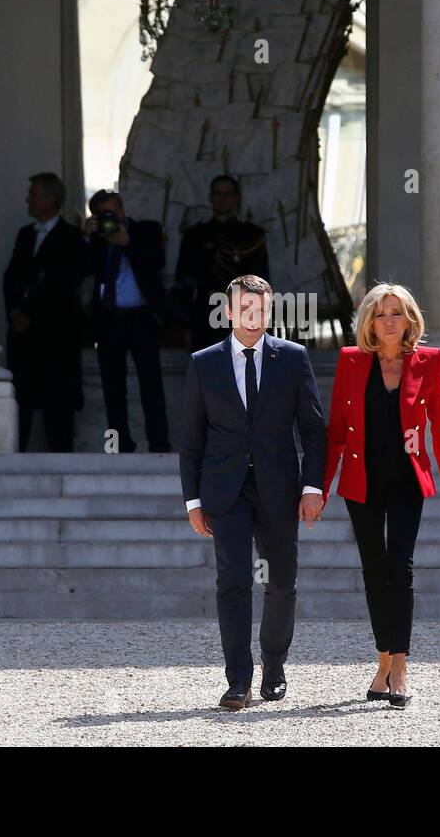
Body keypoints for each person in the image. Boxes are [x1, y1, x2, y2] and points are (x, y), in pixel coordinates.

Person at [180, 274, 326, 709]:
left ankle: (274, 666)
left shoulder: (293, 358)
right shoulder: (204, 362)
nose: (253, 317)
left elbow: (315, 430)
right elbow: (191, 439)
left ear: (269, 310)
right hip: (224, 491)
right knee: (233, 580)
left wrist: (312, 486)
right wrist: (193, 500)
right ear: (228, 311)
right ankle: (238, 680)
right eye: (244, 309)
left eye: (260, 309)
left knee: (282, 582)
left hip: (280, 488)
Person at [322, 282, 440, 708]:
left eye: (397, 313)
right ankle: (382, 660)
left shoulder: (429, 361)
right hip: (361, 480)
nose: (389, 320)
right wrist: (319, 489)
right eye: (381, 313)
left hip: (407, 479)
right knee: (373, 569)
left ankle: (400, 668)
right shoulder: (351, 361)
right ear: (369, 320)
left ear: (410, 321)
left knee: (400, 567)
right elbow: (334, 434)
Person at [2, 172, 86, 452]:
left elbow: (64, 286)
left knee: (57, 408)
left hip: (55, 337)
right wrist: (14, 311)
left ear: (50, 199)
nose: (28, 199)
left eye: (34, 194)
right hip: (24, 338)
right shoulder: (26, 235)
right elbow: (11, 277)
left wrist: (33, 318)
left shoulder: (72, 237)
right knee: (21, 405)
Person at [84, 189, 171, 453]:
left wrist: (127, 243)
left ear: (122, 209)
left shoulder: (146, 230)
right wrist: (86, 238)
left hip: (141, 318)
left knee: (151, 384)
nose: (112, 218)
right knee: (113, 387)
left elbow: (156, 262)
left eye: (114, 211)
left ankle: (159, 444)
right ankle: (120, 444)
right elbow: (78, 269)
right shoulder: (96, 241)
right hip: (108, 320)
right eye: (104, 215)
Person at [173, 175, 270, 351]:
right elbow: (183, 281)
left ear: (236, 198)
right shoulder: (194, 236)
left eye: (227, 193)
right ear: (210, 197)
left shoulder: (251, 235)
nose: (222, 198)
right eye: (217, 193)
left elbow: (262, 283)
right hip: (204, 316)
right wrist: (185, 325)